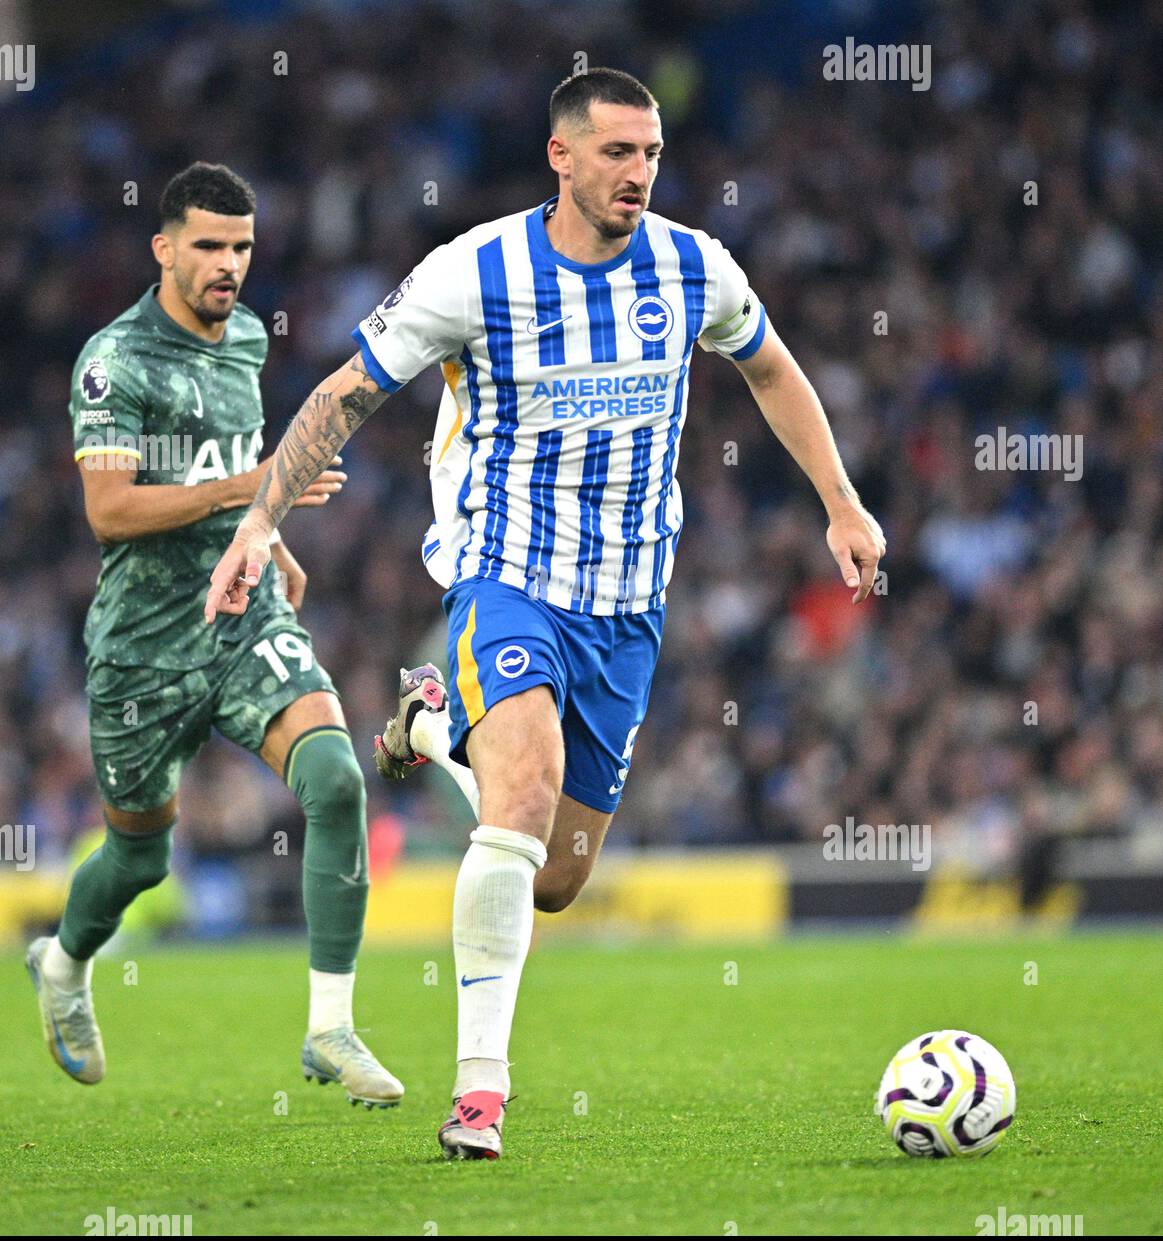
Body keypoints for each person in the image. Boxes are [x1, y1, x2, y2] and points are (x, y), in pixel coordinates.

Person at [204, 70, 885, 1159]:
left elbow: (770, 367)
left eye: (651, 153)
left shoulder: (691, 265)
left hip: (625, 603)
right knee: (517, 800)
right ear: (559, 157)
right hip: (504, 572)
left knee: (555, 875)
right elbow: (344, 393)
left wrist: (840, 503)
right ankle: (481, 1092)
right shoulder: (473, 272)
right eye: (615, 152)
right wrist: (255, 521)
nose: (638, 173)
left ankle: (430, 727)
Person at [28, 162, 405, 1111]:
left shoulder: (243, 337)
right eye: (207, 245)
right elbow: (110, 511)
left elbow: (242, 464)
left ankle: (330, 1026)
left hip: (241, 615)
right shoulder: (115, 360)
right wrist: (250, 491)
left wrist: (265, 534)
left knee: (335, 779)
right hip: (142, 649)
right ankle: (66, 963)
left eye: (240, 245)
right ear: (163, 248)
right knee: (140, 858)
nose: (228, 264)